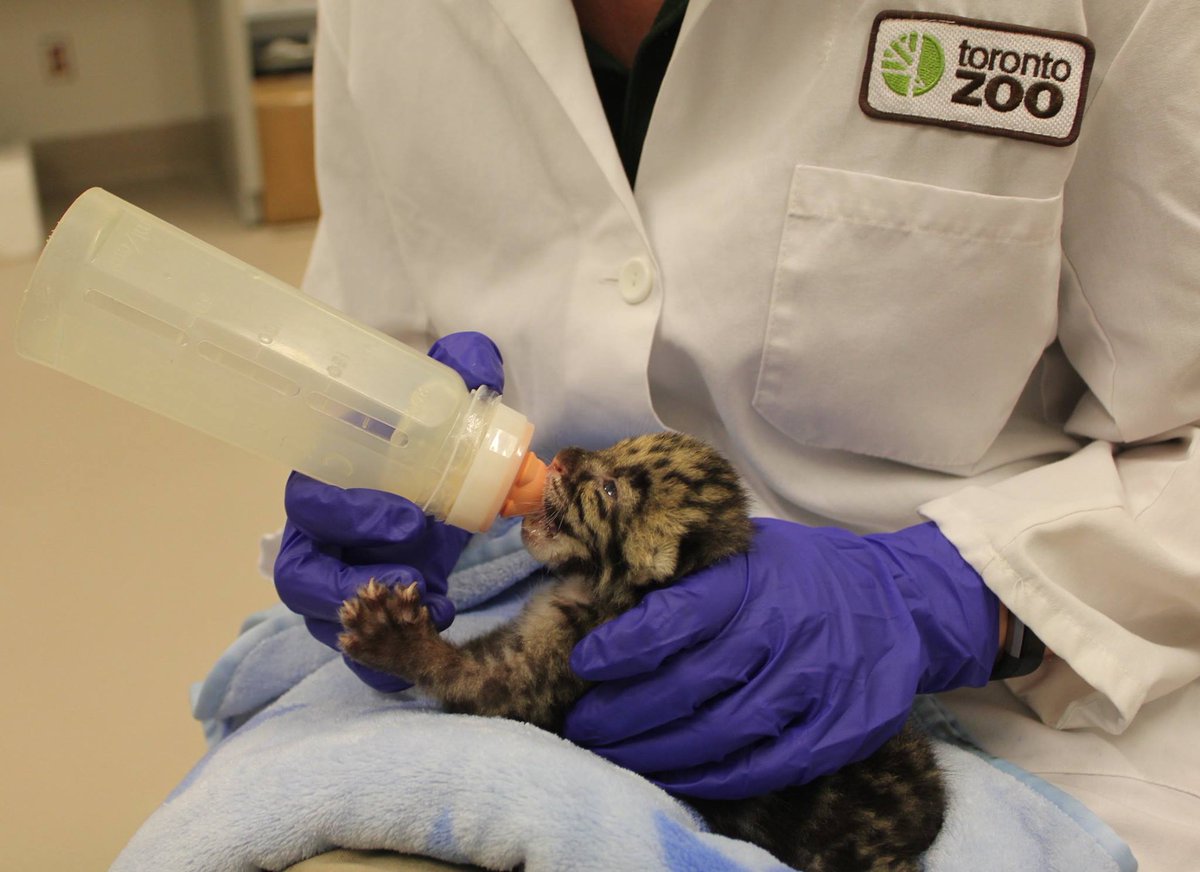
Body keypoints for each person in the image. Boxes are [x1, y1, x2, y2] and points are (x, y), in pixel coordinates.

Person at [273, 2, 1200, 870]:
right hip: (510, 607)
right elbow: (372, 344)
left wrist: (953, 597)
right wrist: (386, 491)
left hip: (1016, 698)